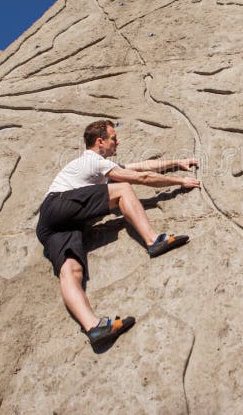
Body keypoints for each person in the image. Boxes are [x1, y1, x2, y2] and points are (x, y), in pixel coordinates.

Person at [36, 119, 201, 346]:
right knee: (123, 189)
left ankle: (94, 327)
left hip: (51, 224)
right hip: (59, 204)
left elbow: (142, 167)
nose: (118, 142)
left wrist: (177, 162)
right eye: (114, 138)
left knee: (71, 271)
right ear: (99, 141)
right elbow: (140, 179)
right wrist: (179, 181)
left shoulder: (99, 166)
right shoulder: (94, 161)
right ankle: (153, 241)